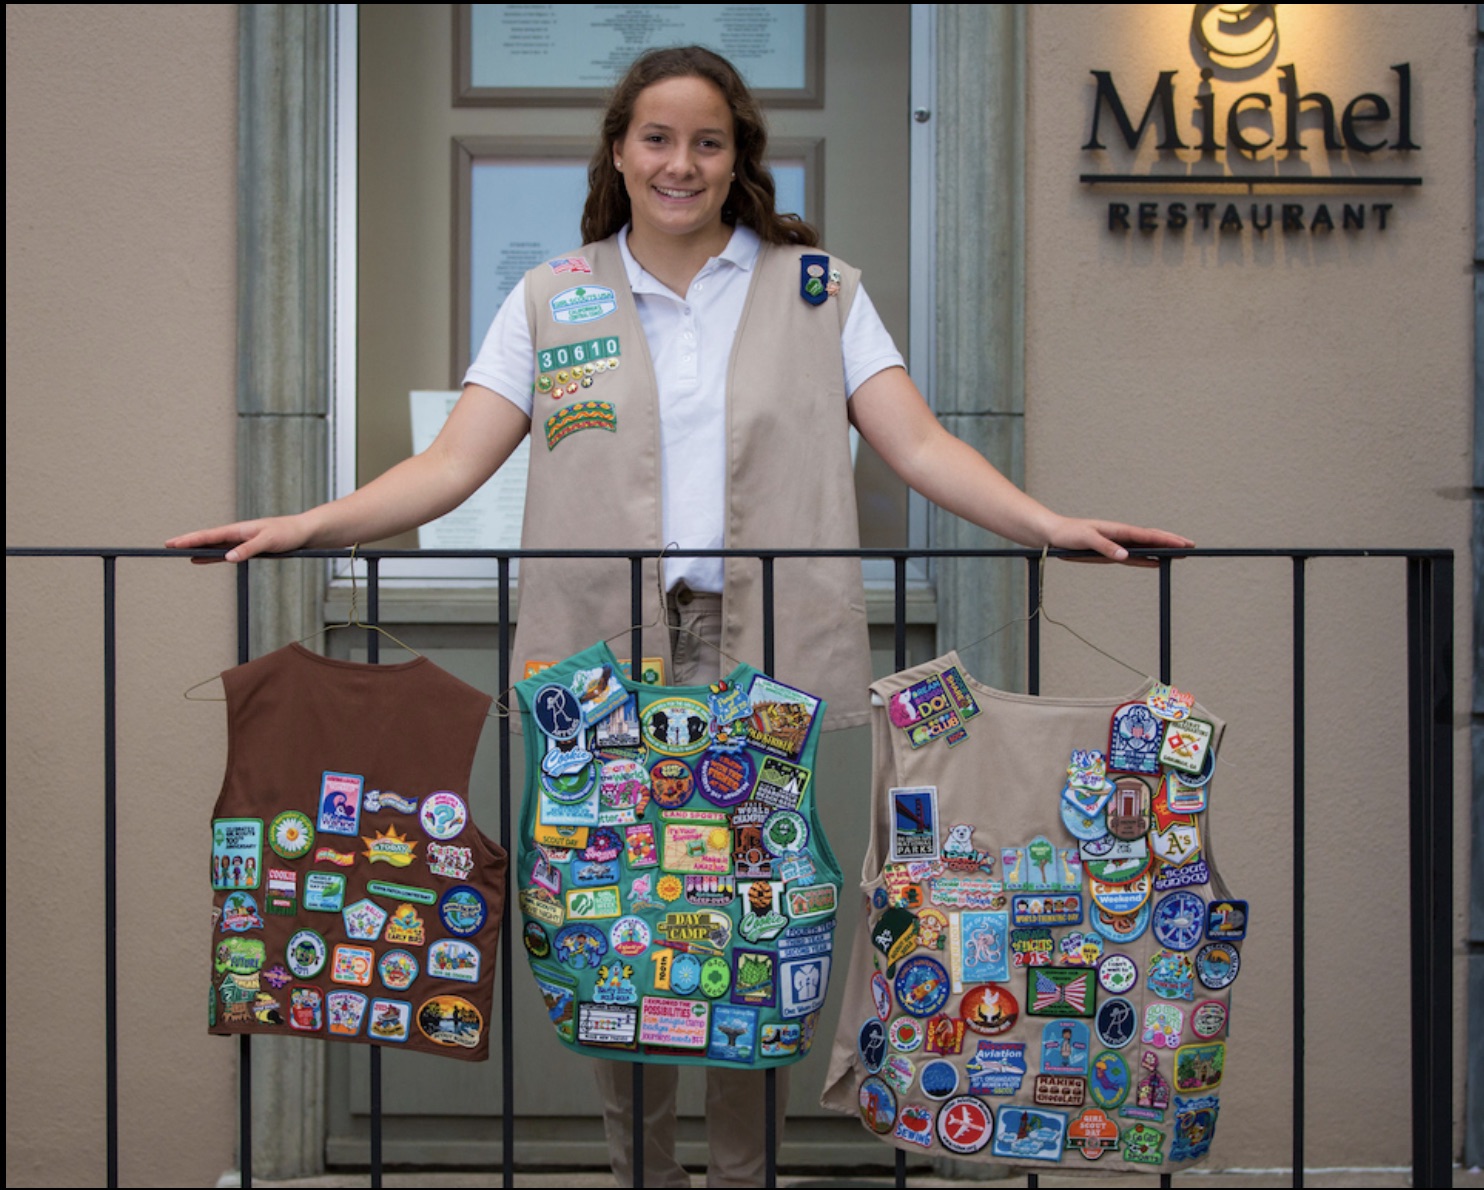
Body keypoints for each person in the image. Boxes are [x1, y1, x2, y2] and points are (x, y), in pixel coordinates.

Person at [170, 44, 1190, 1188]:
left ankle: (745, 1171)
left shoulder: (819, 290)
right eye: (656, 138)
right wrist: (306, 526)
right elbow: (451, 463)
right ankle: (638, 1172)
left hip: (758, 658)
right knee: (613, 928)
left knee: (757, 931)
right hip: (603, 662)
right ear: (618, 149)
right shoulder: (552, 295)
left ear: (737, 155)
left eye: (706, 141)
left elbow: (916, 442)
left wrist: (1044, 523)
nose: (680, 163)